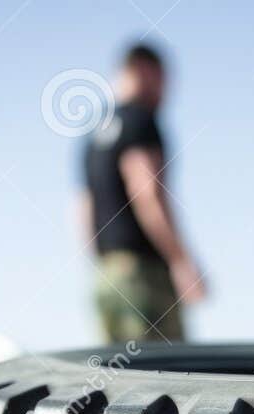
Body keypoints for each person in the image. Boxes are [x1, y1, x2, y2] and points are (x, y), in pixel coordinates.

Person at [80, 42, 205, 344]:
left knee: (116, 381)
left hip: (107, 275)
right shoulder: (141, 120)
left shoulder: (94, 134)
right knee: (169, 379)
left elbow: (83, 207)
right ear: (144, 71)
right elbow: (147, 190)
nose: (165, 92)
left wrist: (102, 267)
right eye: (163, 80)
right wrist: (180, 260)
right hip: (144, 275)